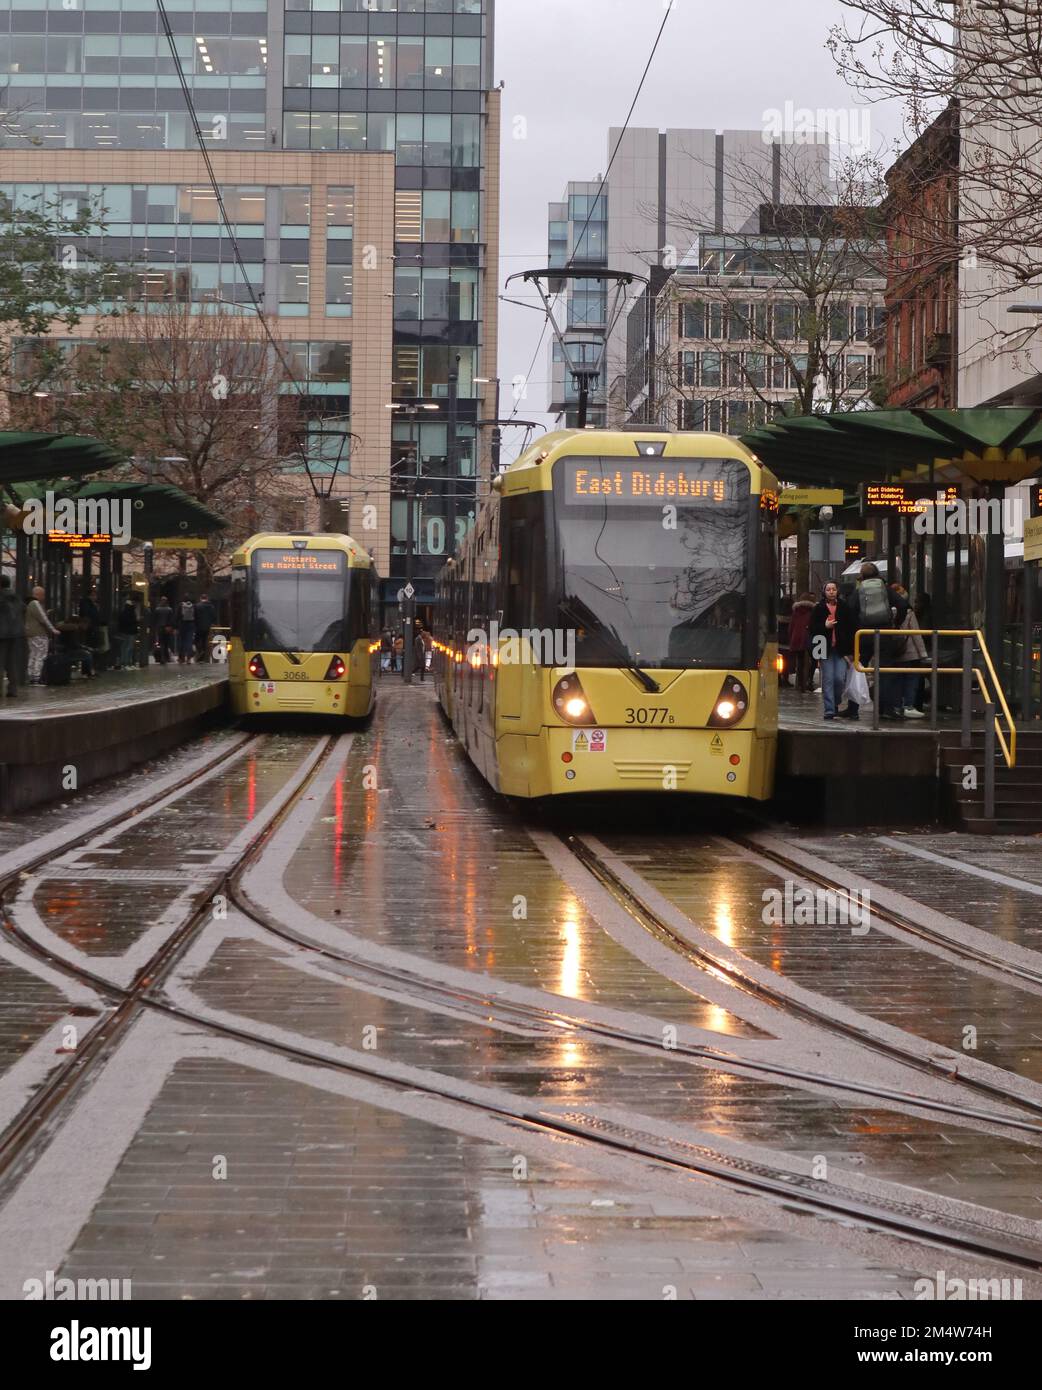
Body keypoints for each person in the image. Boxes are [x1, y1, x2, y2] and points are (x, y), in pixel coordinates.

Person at [855, 562, 907, 720]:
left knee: (857, 669)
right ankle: (886, 708)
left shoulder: (860, 589)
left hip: (864, 634)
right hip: (884, 633)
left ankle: (853, 707)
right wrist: (896, 623)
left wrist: (857, 626)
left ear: (862, 576)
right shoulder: (885, 589)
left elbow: (851, 607)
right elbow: (902, 604)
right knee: (885, 671)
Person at [809, 580, 857, 721]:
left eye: (833, 589)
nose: (831, 592)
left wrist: (852, 650)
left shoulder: (844, 607)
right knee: (828, 678)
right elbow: (812, 628)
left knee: (839, 679)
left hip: (841, 649)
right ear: (824, 592)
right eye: (828, 589)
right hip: (825, 647)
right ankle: (829, 709)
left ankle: (836, 702)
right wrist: (825, 626)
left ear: (837, 591)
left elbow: (851, 628)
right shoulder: (818, 608)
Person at [891, 584, 927, 720]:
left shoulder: (886, 610)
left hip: (894, 652)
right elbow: (916, 634)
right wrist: (923, 654)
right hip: (910, 652)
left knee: (896, 679)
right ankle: (909, 706)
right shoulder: (908, 611)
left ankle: (896, 705)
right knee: (912, 678)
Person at [25, 585, 61, 684]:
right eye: (43, 594)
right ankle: (37, 677)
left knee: (33, 654)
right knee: (40, 655)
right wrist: (53, 630)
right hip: (39, 633)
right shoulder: (35, 603)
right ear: (38, 594)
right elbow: (43, 618)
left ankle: (31, 675)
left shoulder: (29, 604)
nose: (44, 597)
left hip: (30, 633)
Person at [0, 575, 24, 698]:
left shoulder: (2, 597)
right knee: (11, 662)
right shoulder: (16, 598)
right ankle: (13, 689)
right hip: (15, 634)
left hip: (2, 634)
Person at [787, 592, 816, 693]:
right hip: (810, 638)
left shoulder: (796, 611)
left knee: (800, 661)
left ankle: (800, 684)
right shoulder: (813, 611)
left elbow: (791, 627)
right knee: (814, 660)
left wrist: (791, 638)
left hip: (797, 638)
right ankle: (809, 680)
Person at [115, 596, 139, 671]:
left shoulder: (124, 611)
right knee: (129, 648)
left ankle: (126, 663)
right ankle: (127, 663)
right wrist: (136, 621)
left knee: (125, 647)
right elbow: (131, 621)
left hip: (126, 631)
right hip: (130, 632)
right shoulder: (130, 611)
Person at [194, 593, 216, 662]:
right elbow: (213, 616)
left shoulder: (197, 606)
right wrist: (212, 623)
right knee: (204, 640)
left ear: (201, 598)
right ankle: (202, 655)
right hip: (207, 626)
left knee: (196, 640)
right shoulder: (211, 606)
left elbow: (194, 616)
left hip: (198, 626)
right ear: (207, 598)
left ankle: (200, 651)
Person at [152, 595, 174, 665]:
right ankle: (166, 657)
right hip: (167, 628)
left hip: (160, 628)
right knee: (166, 643)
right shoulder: (170, 609)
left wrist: (154, 628)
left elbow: (154, 620)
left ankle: (162, 658)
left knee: (161, 643)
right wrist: (171, 627)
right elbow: (171, 620)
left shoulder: (157, 609)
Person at [176, 595, 196, 664]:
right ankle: (189, 659)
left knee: (181, 641)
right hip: (191, 625)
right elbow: (195, 616)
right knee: (189, 641)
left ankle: (181, 658)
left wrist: (175, 627)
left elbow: (177, 615)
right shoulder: (193, 606)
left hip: (182, 624)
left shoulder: (180, 605)